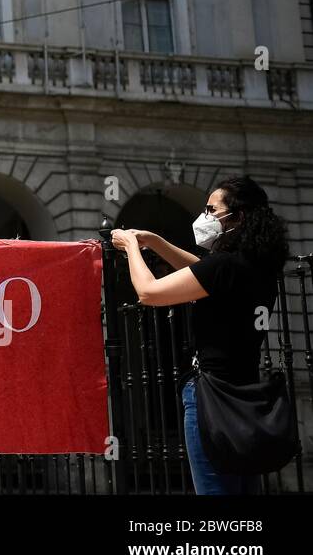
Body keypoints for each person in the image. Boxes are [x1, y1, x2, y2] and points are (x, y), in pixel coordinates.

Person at [111, 175, 290, 494]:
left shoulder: (225, 266)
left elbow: (149, 293)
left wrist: (131, 249)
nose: (205, 217)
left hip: (211, 397)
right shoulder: (255, 266)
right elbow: (202, 271)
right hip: (245, 395)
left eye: (212, 210)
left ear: (238, 217)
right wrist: (155, 242)